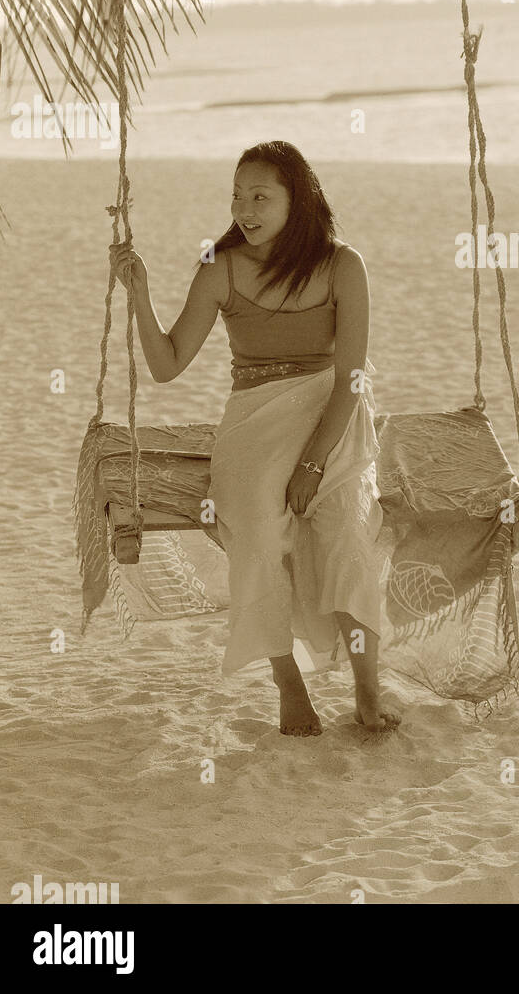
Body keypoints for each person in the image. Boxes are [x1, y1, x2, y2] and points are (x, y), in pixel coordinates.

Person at [110, 140, 400, 736]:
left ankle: (368, 690)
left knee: (347, 533)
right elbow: (166, 365)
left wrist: (314, 465)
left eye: (260, 195)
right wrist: (138, 293)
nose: (245, 208)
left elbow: (350, 378)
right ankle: (287, 684)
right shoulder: (221, 266)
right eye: (238, 195)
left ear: (299, 199)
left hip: (332, 417)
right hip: (254, 424)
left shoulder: (343, 265)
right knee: (259, 538)